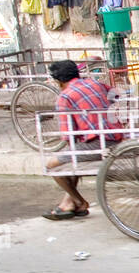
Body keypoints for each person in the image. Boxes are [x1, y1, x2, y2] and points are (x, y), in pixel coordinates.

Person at [42, 61, 124, 220]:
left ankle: (79, 201)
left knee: (52, 165)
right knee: (73, 155)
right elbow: (116, 96)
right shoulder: (95, 83)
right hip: (117, 136)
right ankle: (67, 203)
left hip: (99, 143)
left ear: (58, 81)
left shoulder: (65, 96)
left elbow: (68, 136)